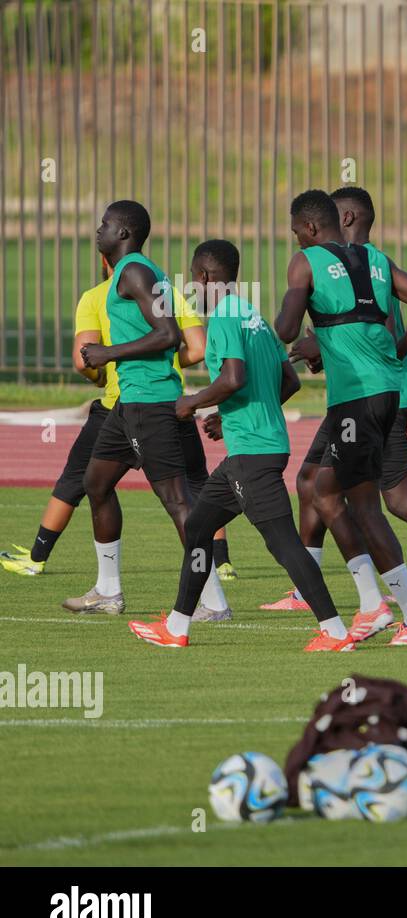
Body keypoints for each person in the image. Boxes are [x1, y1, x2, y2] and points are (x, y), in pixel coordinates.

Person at [127, 240, 348, 649]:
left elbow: (232, 378)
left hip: (253, 453)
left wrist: (191, 403)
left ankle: (335, 630)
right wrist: (226, 417)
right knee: (198, 527)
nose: (193, 285)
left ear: (207, 277)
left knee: (283, 543)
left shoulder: (226, 317)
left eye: (194, 277)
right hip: (253, 447)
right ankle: (178, 626)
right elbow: (289, 381)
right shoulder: (254, 316)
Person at [274, 189, 407, 649]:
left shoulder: (307, 261)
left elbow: (287, 329)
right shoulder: (375, 258)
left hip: (354, 399)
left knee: (324, 491)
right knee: (359, 503)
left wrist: (253, 328)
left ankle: (378, 605)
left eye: (297, 231)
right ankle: (403, 614)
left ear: (311, 228)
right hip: (387, 393)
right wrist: (392, 352)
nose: (296, 239)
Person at [2, 261, 234, 581]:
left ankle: (37, 557)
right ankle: (221, 564)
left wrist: (104, 373)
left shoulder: (97, 296)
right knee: (195, 484)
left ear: (105, 256)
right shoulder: (164, 289)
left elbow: (82, 359)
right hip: (171, 403)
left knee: (79, 481)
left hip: (119, 404)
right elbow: (198, 347)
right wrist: (166, 363)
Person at [72, 200, 230, 619]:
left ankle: (213, 601)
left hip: (151, 401)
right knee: (96, 482)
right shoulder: (131, 272)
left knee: (178, 501)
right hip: (129, 403)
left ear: (123, 233)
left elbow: (168, 335)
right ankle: (108, 591)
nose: (98, 229)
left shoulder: (137, 271)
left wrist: (108, 352)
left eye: (105, 223)